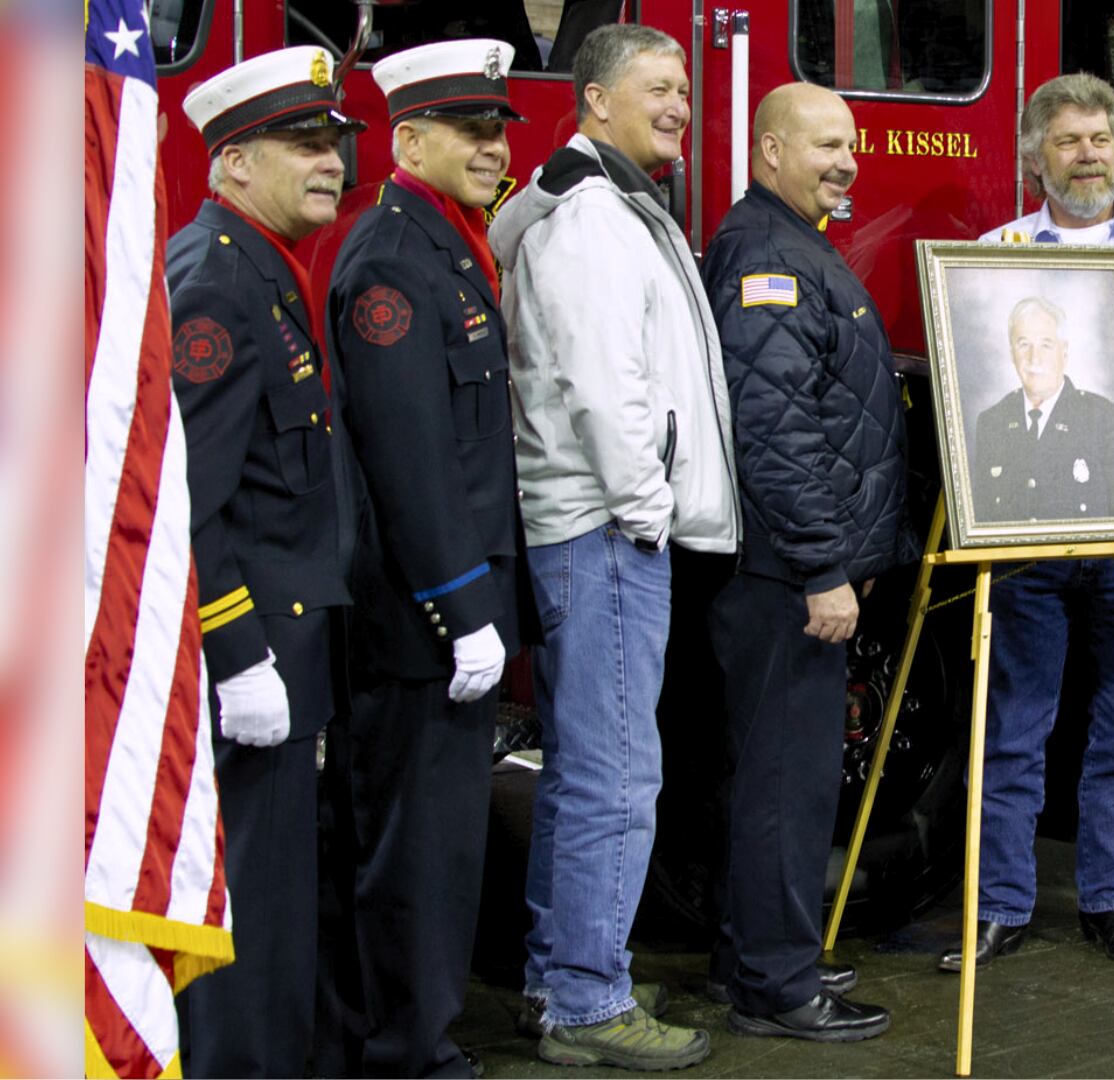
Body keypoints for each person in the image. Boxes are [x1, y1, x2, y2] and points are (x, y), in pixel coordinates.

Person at [488, 24, 735, 1071]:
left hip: (598, 528)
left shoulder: (615, 206)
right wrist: (647, 511)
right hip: (606, 532)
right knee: (616, 774)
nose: (679, 103)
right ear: (593, 101)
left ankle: (560, 981)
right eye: (656, 88)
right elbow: (604, 387)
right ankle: (590, 997)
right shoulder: (594, 218)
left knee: (593, 768)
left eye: (685, 87)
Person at [946, 72, 1114, 973]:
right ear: (1036, 155)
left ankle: (1110, 902)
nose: (1087, 154)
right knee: (1015, 720)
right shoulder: (995, 253)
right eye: (1067, 141)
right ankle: (1000, 906)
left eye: (1100, 138)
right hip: (1027, 538)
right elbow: (980, 386)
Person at [321, 39, 536, 1077]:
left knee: (441, 845)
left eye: (498, 129)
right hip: (422, 621)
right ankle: (403, 1048)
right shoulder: (393, 261)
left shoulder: (448, 244)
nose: (493, 149)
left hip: (452, 609)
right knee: (414, 850)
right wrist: (465, 607)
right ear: (407, 139)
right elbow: (409, 461)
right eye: (470, 130)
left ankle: (420, 1032)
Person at [699, 81, 913, 1043]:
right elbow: (775, 430)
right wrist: (826, 565)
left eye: (851, 144)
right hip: (787, 578)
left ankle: (755, 954)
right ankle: (778, 988)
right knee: (785, 783)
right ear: (767, 150)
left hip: (793, 570)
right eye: (823, 143)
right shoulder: (771, 259)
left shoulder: (793, 243)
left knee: (768, 775)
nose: (845, 160)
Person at [166, 47, 365, 1078]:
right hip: (252, 660)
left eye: (333, 146)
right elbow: (183, 505)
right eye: (303, 146)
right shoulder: (218, 287)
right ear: (232, 164)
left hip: (293, 650)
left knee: (291, 897)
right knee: (249, 902)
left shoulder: (264, 273)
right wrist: (236, 651)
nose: (329, 164)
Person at [969, 296, 1114, 523]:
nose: (1034, 358)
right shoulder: (992, 422)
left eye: (1046, 345)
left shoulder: (1105, 421)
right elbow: (982, 521)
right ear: (1012, 353)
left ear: (1064, 352)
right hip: (1012, 559)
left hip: (1084, 559)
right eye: (1024, 345)